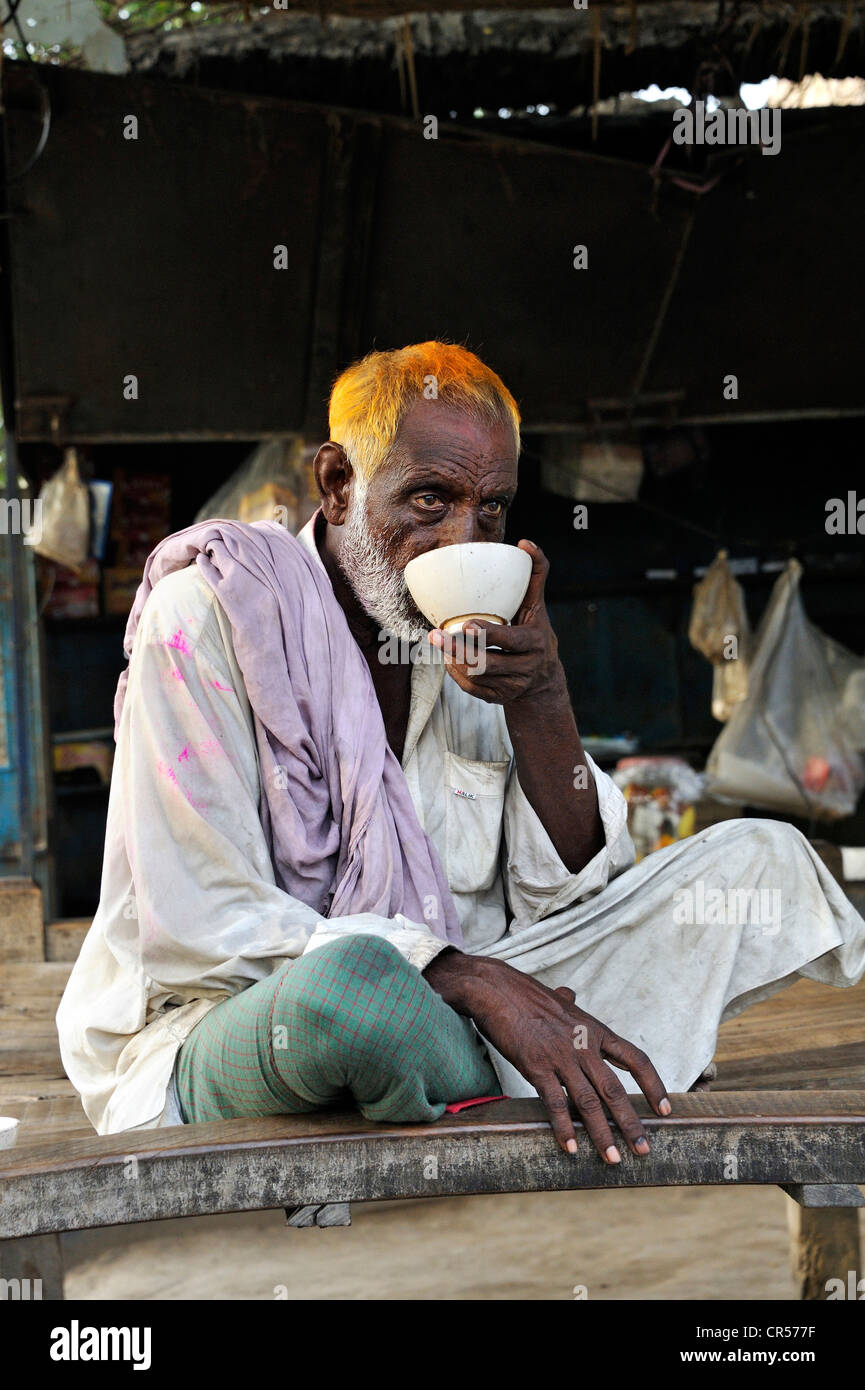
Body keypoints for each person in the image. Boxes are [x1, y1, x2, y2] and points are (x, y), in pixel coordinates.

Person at [57, 342, 865, 1166]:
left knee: (763, 858)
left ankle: (493, 1070)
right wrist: (467, 978)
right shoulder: (208, 617)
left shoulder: (475, 635)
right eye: (429, 498)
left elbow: (574, 901)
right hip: (236, 1018)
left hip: (481, 1005)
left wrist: (542, 697)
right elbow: (201, 923)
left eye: (491, 509)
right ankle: (536, 1067)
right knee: (354, 993)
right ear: (337, 484)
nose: (459, 538)